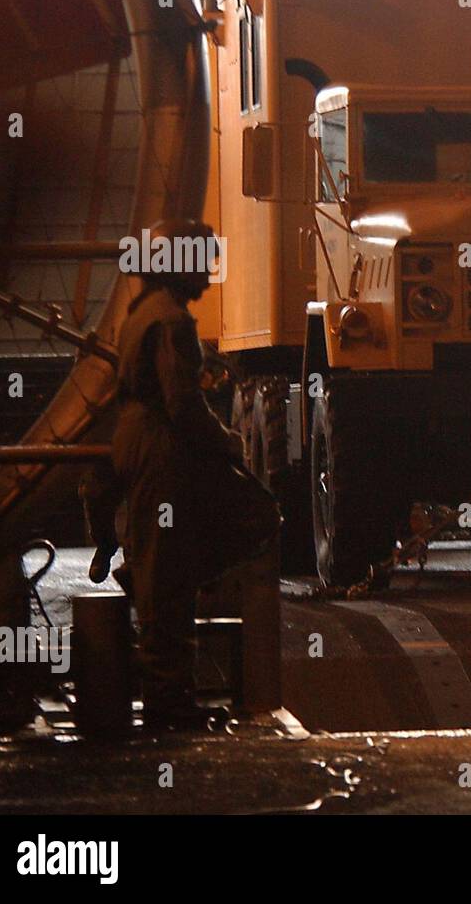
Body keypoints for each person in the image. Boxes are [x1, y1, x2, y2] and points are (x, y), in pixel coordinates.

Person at [98, 218, 279, 727]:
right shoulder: (173, 321)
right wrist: (229, 443)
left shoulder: (142, 313)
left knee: (165, 568)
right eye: (202, 260)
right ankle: (169, 708)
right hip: (163, 452)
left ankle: (166, 687)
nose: (209, 270)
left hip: (141, 445)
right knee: (185, 568)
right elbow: (183, 403)